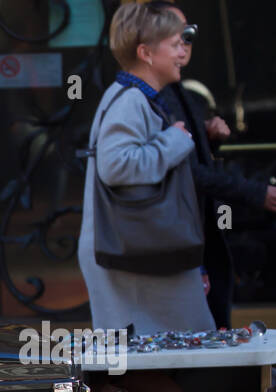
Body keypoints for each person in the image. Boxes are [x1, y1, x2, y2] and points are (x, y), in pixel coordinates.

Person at [77, 2, 212, 335]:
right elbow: (117, 166)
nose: (184, 51)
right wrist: (175, 141)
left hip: (132, 247)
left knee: (157, 356)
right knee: (158, 354)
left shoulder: (133, 96)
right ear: (146, 53)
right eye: (175, 44)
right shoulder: (131, 100)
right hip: (129, 250)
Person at [150, 1, 276, 329]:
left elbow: (184, 158)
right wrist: (255, 192)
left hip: (193, 233)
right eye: (178, 38)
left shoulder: (172, 90)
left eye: (188, 38)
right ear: (147, 44)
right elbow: (179, 170)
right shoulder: (140, 99)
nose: (184, 47)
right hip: (165, 242)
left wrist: (207, 140)